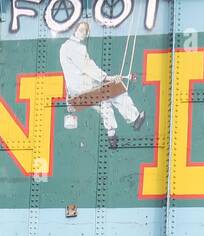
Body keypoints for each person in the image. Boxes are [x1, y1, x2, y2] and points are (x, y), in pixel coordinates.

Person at [60, 19, 145, 148]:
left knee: (105, 100)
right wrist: (107, 78)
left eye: (86, 31)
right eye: (81, 30)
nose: (83, 33)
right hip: (82, 90)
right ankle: (135, 118)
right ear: (75, 30)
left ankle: (112, 136)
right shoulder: (75, 47)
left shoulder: (66, 47)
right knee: (117, 90)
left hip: (76, 92)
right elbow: (88, 67)